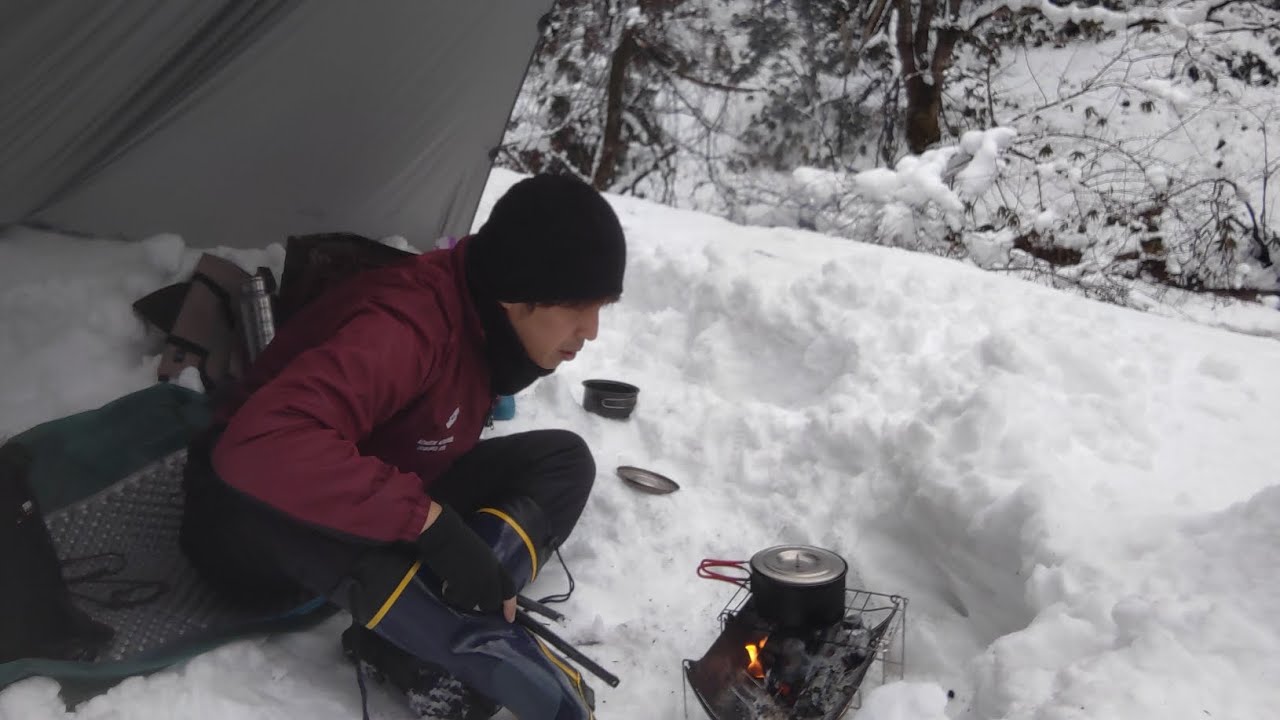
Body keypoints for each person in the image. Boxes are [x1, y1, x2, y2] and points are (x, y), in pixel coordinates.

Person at [179, 173, 626, 720]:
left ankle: (420, 628)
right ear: (518, 293)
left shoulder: (483, 320)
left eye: (600, 306)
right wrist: (430, 524)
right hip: (251, 516)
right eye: (578, 306)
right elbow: (261, 443)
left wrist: (452, 542)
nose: (592, 330)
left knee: (563, 460)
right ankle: (460, 641)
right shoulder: (406, 326)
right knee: (353, 528)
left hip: (373, 487)